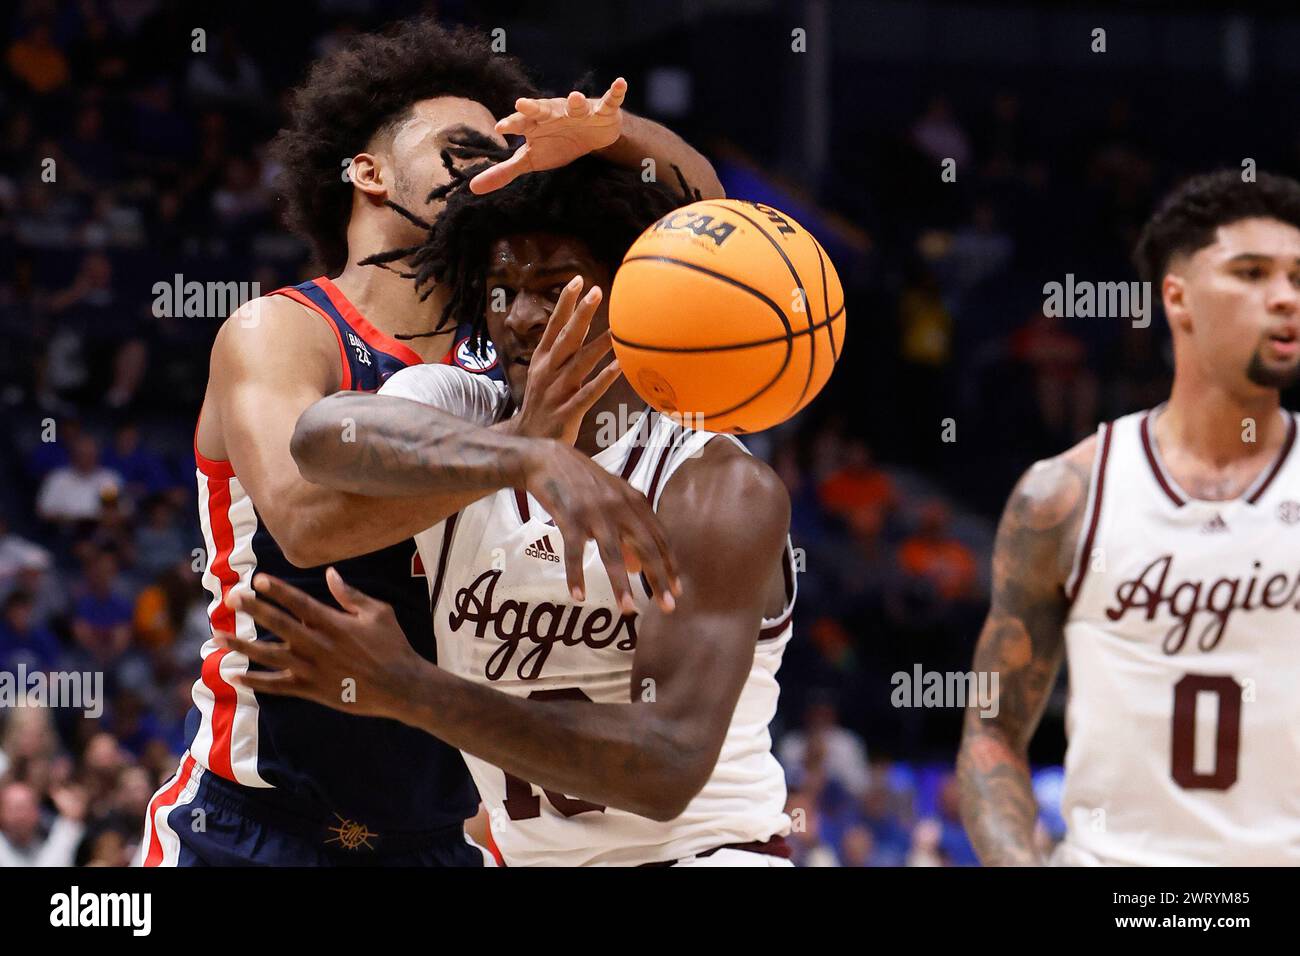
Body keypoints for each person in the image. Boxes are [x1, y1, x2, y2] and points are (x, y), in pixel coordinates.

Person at [141, 17, 721, 867]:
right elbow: (305, 522)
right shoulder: (283, 331)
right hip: (253, 826)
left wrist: (615, 134)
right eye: (461, 148)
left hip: (440, 838)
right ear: (366, 172)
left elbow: (709, 243)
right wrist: (524, 448)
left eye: (499, 155)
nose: (487, 168)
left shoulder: (512, 341)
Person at [217, 158, 798, 867]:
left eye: (554, 291)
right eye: (502, 292)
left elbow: (665, 767)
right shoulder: (466, 409)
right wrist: (525, 451)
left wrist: (411, 689)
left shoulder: (713, 487)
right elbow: (320, 439)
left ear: (635, 301)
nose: (521, 317)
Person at [957, 170, 1300, 865]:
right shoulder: (1064, 494)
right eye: (1253, 272)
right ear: (1178, 298)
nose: (1286, 296)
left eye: (1297, 275)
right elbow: (992, 729)